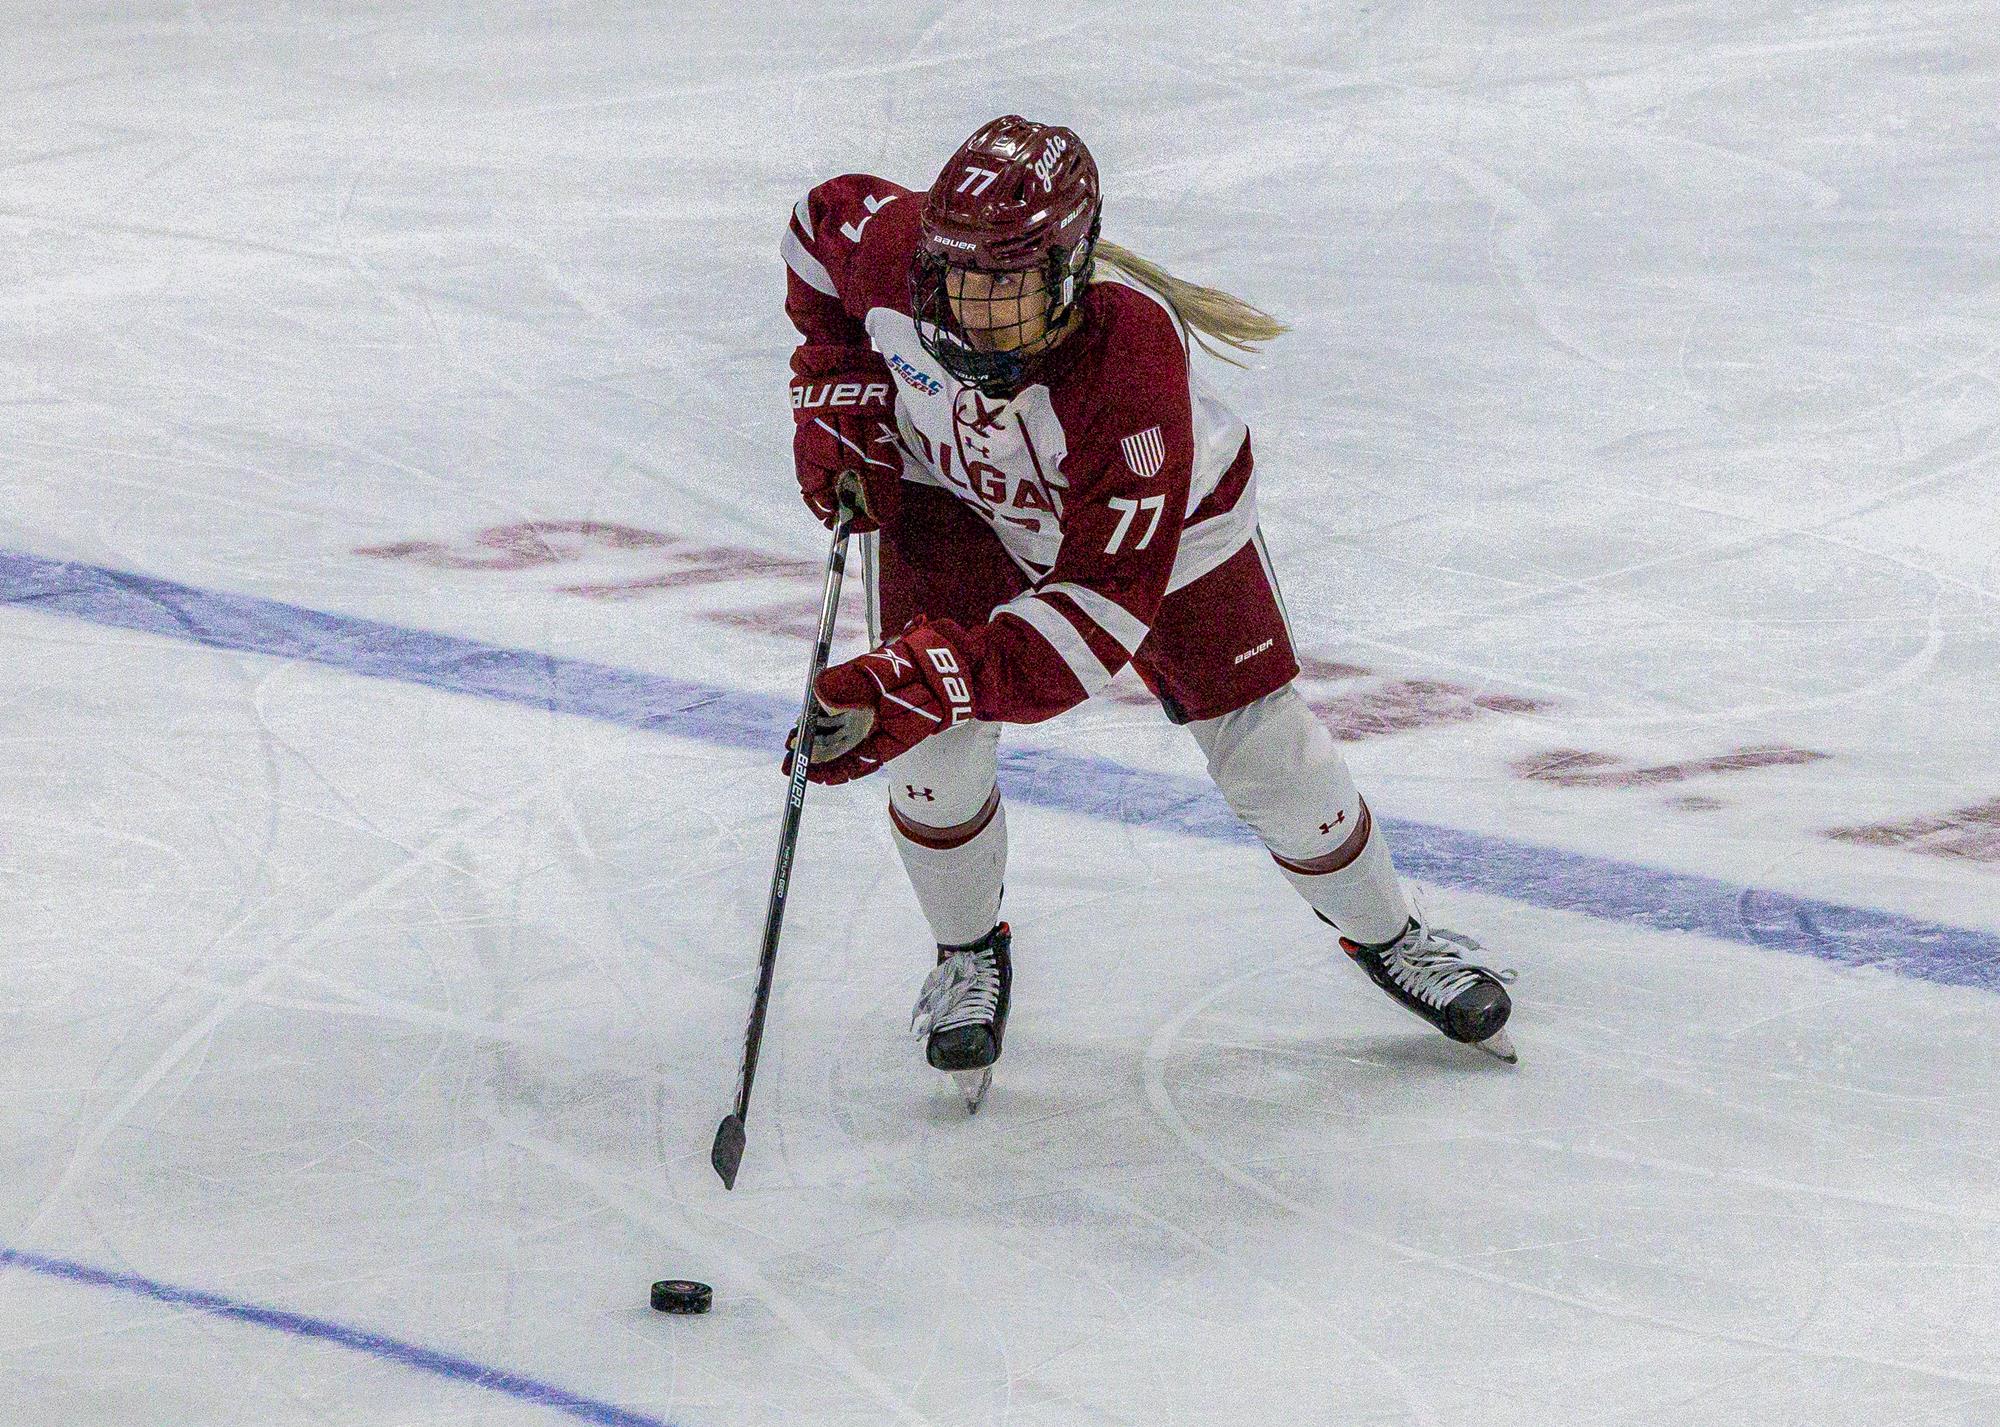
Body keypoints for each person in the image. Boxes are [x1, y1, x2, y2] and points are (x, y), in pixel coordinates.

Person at [781, 115, 1514, 1108]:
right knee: (932, 750)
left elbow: (1087, 626)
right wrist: (837, 389)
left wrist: (916, 680)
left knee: (1270, 753)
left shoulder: (1127, 364)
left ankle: (1391, 936)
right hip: (956, 499)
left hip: (1168, 537)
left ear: (1069, 272)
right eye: (960, 279)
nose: (975, 314)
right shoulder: (898, 254)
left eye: (1008, 285)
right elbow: (817, 228)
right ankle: (965, 951)